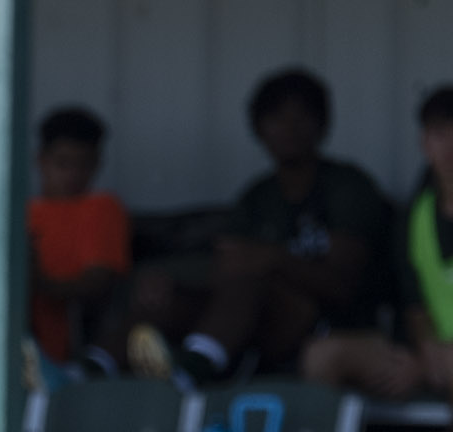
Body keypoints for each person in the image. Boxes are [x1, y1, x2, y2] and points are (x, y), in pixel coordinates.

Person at [131, 68, 390, 387]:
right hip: (258, 327)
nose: (289, 128)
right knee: (162, 296)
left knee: (250, 281)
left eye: (302, 117)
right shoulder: (257, 197)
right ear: (259, 128)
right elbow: (226, 270)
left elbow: (343, 287)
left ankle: (191, 372)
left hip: (331, 329)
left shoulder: (347, 186)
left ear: (322, 124)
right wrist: (168, 282)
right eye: (277, 118)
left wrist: (276, 259)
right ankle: (93, 372)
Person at [303, 86, 453, 404]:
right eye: (440, 133)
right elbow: (414, 305)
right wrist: (426, 357)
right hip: (426, 351)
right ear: (425, 142)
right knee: (322, 355)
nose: (450, 146)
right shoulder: (415, 216)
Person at [27, 106, 130, 375]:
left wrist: (34, 282)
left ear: (98, 164)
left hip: (63, 335)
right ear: (40, 160)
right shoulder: (16, 213)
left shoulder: (101, 207)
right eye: (62, 163)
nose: (73, 175)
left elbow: (99, 281)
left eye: (84, 165)